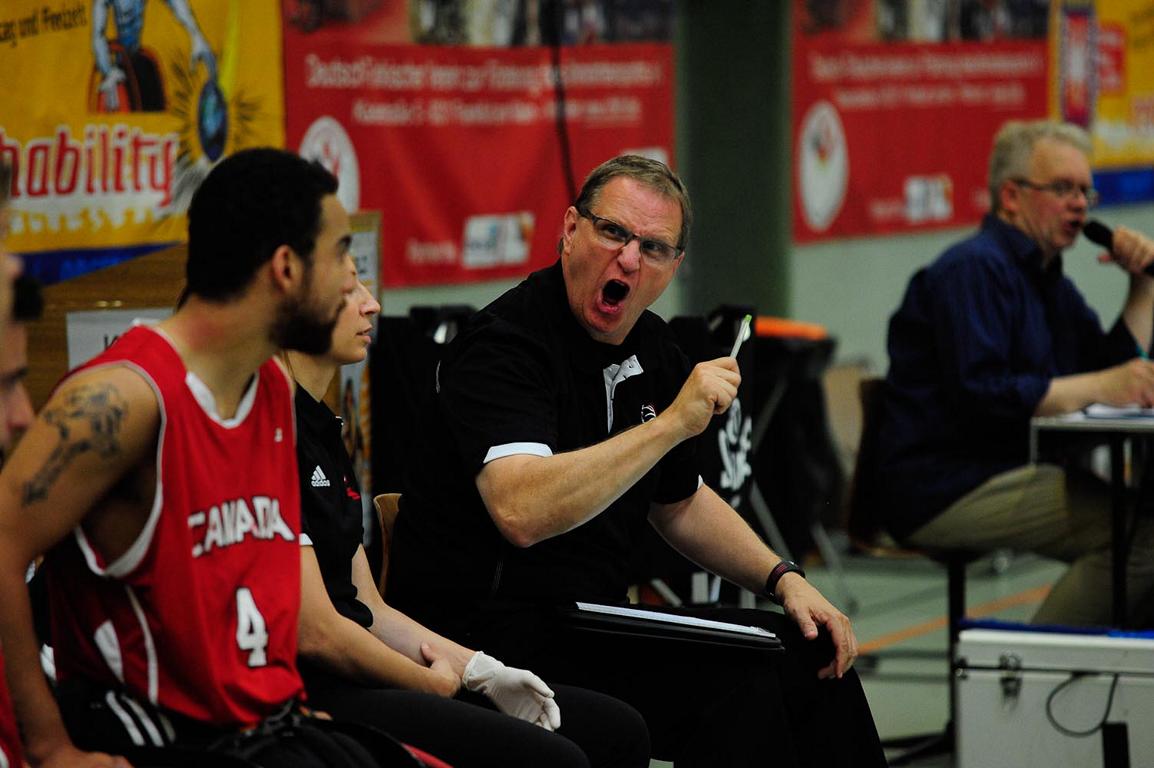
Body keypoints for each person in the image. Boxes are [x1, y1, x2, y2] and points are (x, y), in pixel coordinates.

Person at [386, 154, 885, 768]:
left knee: (809, 650)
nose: (628, 259)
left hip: (591, 620)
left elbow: (677, 502)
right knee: (739, 687)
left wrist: (785, 579)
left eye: (653, 247)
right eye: (613, 232)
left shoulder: (654, 348)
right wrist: (673, 423)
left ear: (672, 268)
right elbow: (521, 510)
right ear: (571, 231)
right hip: (489, 631)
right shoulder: (503, 347)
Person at [0, 147, 382, 768]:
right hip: (158, 731)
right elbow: (3, 538)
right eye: (341, 253)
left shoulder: (272, 391)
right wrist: (47, 746)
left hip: (265, 722)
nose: (354, 284)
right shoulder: (124, 399)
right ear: (284, 268)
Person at [284, 270, 649, 768]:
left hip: (366, 669)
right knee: (554, 760)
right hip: (316, 689)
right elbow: (319, 633)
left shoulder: (324, 429)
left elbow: (369, 606)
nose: (371, 305)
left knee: (616, 730)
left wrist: (479, 669)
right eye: (349, 289)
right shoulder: (271, 431)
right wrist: (427, 681)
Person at [877, 119, 1154, 627]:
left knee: (1139, 524)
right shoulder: (974, 270)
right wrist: (1101, 385)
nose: (1079, 204)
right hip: (943, 486)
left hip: (999, 472)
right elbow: (980, 395)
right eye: (1062, 188)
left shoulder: (1045, 277)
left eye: (1084, 191)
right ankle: (1029, 685)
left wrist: (1143, 285)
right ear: (1011, 197)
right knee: (1137, 535)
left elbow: (1111, 371)